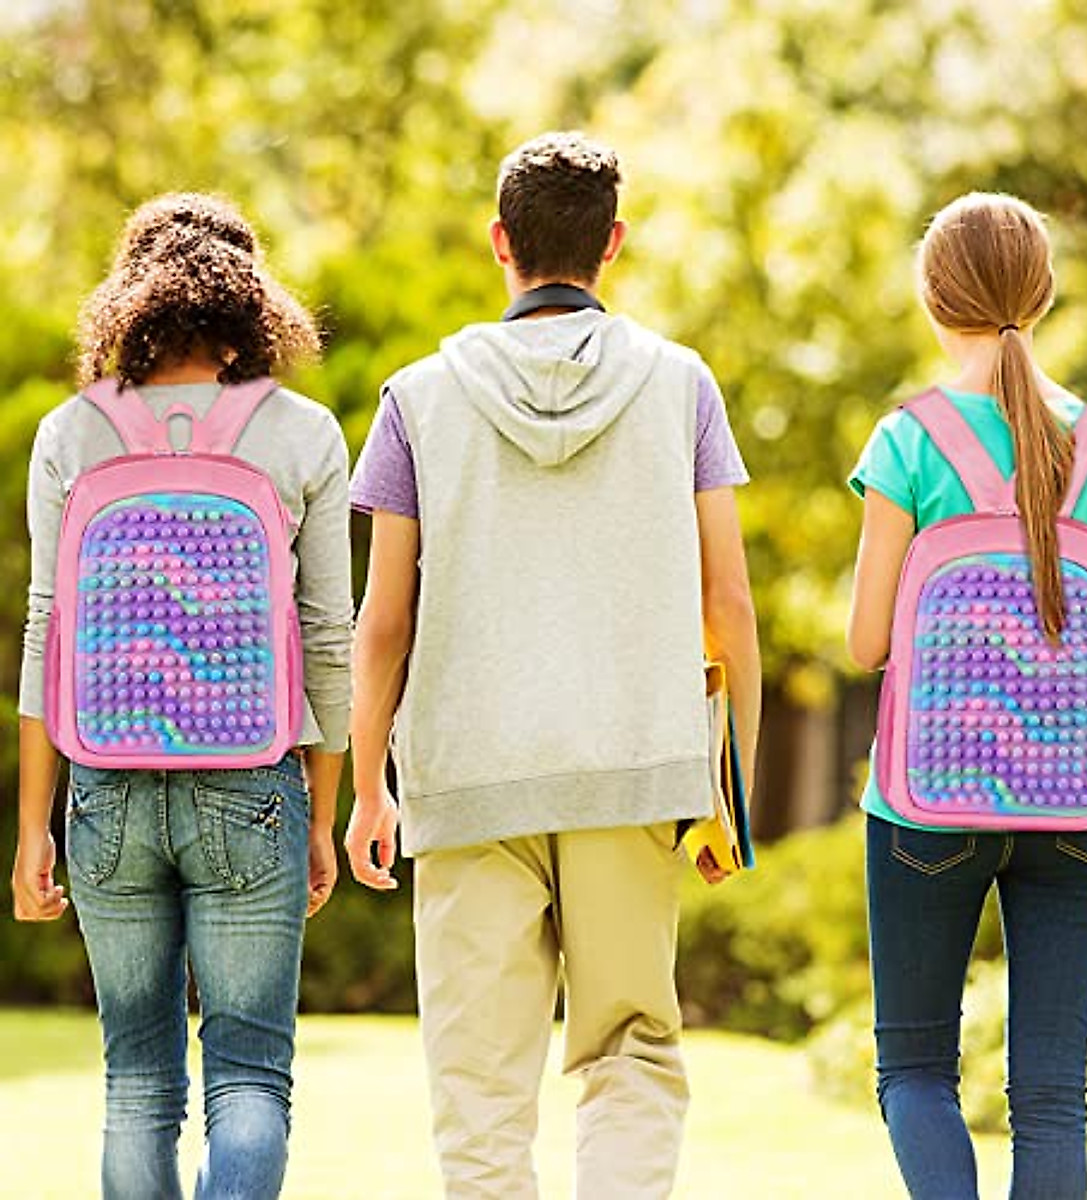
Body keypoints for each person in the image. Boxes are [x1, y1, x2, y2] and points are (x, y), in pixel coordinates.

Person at [346, 130, 761, 1198]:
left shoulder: (415, 398)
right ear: (612, 244)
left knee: (479, 1090)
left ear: (501, 242)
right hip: (633, 771)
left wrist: (367, 784)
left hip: (468, 778)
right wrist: (730, 787)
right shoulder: (681, 386)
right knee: (632, 1052)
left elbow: (383, 618)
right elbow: (728, 601)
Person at [846, 192, 1087, 1199]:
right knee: (1051, 1098)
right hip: (1074, 804)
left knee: (916, 1070)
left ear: (931, 298)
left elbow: (866, 642)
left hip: (925, 806)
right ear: (1042, 298)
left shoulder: (908, 441)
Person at [11, 193, 354, 1200]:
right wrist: (323, 813)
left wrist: (33, 827)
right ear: (252, 303)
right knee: (249, 1074)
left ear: (131, 299)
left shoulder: (71, 433)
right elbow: (328, 637)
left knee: (136, 1080)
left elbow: (45, 633)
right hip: (252, 782)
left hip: (105, 788)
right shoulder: (301, 433)